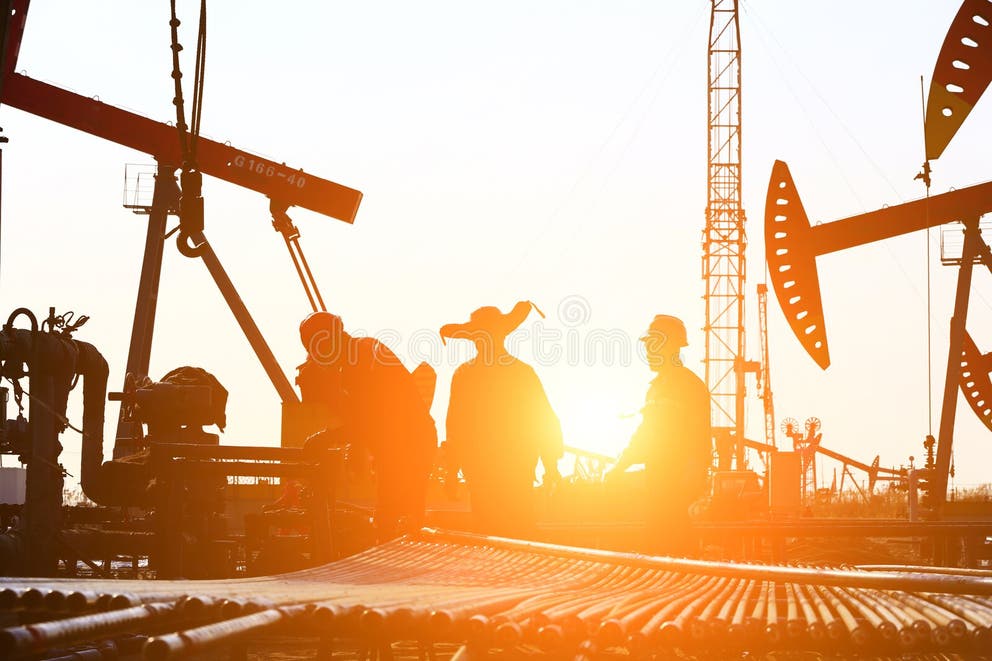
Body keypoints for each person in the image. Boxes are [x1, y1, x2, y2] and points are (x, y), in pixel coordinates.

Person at [297, 311, 438, 541]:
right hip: (403, 442)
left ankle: (400, 563)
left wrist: (328, 437)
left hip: (409, 443)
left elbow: (371, 418)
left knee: (394, 520)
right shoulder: (358, 356)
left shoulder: (361, 360)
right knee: (395, 518)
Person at [442, 301, 563, 538]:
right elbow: (544, 419)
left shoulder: (466, 374)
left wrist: (451, 472)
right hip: (499, 470)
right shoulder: (518, 371)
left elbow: (455, 426)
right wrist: (550, 466)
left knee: (496, 532)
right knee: (512, 532)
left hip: (498, 470)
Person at [605, 314, 712, 555]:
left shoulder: (688, 386)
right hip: (659, 479)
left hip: (678, 480)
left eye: (654, 344)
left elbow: (699, 436)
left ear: (671, 346)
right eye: (647, 345)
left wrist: (693, 476)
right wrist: (620, 465)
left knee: (674, 540)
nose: (648, 351)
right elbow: (645, 435)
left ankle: (685, 583)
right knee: (658, 540)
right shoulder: (656, 389)